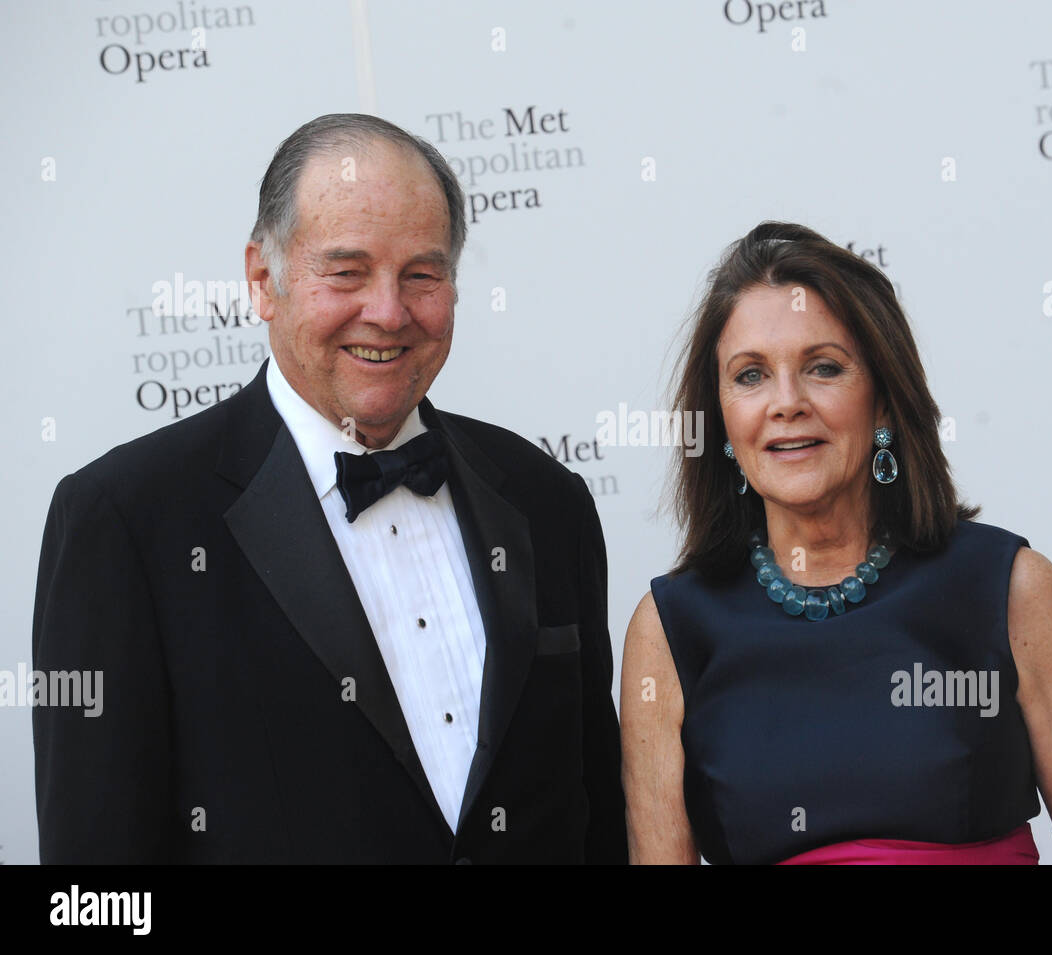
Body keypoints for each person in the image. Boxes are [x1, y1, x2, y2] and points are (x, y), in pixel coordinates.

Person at [32, 113, 626, 864]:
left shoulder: (548, 501)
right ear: (263, 280)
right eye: (346, 271)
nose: (388, 311)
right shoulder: (124, 520)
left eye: (422, 273)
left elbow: (601, 819)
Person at [621, 221, 1052, 865]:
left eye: (824, 367)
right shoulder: (669, 631)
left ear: (886, 402)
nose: (786, 403)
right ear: (722, 417)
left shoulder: (1012, 589)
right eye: (751, 376)